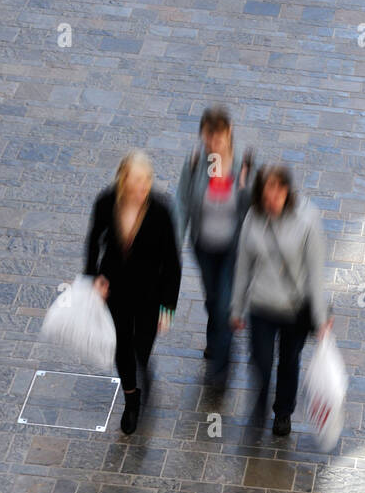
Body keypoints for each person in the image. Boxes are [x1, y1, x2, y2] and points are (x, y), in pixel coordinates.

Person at [230, 165, 332, 436]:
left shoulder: (307, 220)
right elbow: (243, 264)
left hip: (294, 309)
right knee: (261, 362)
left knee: (289, 362)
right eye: (267, 191)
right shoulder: (253, 218)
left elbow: (315, 273)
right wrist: (237, 307)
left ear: (287, 190)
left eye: (278, 189)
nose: (273, 197)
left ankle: (283, 412)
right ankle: (260, 403)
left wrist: (321, 319)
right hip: (261, 305)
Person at [84, 151, 181, 435]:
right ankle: (131, 401)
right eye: (137, 180)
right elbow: (93, 241)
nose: (143, 187)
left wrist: (168, 307)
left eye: (147, 180)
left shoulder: (161, 211)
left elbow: (172, 262)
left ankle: (142, 371)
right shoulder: (106, 203)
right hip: (115, 290)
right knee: (121, 348)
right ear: (123, 179)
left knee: (141, 348)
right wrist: (94, 276)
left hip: (149, 293)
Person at [174, 106, 253, 385]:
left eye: (218, 138)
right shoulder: (197, 162)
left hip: (234, 247)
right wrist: (175, 243)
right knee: (212, 299)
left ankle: (220, 369)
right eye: (208, 138)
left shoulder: (244, 162)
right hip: (204, 245)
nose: (213, 145)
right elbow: (182, 203)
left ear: (229, 133)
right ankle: (216, 338)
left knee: (224, 305)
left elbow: (255, 207)